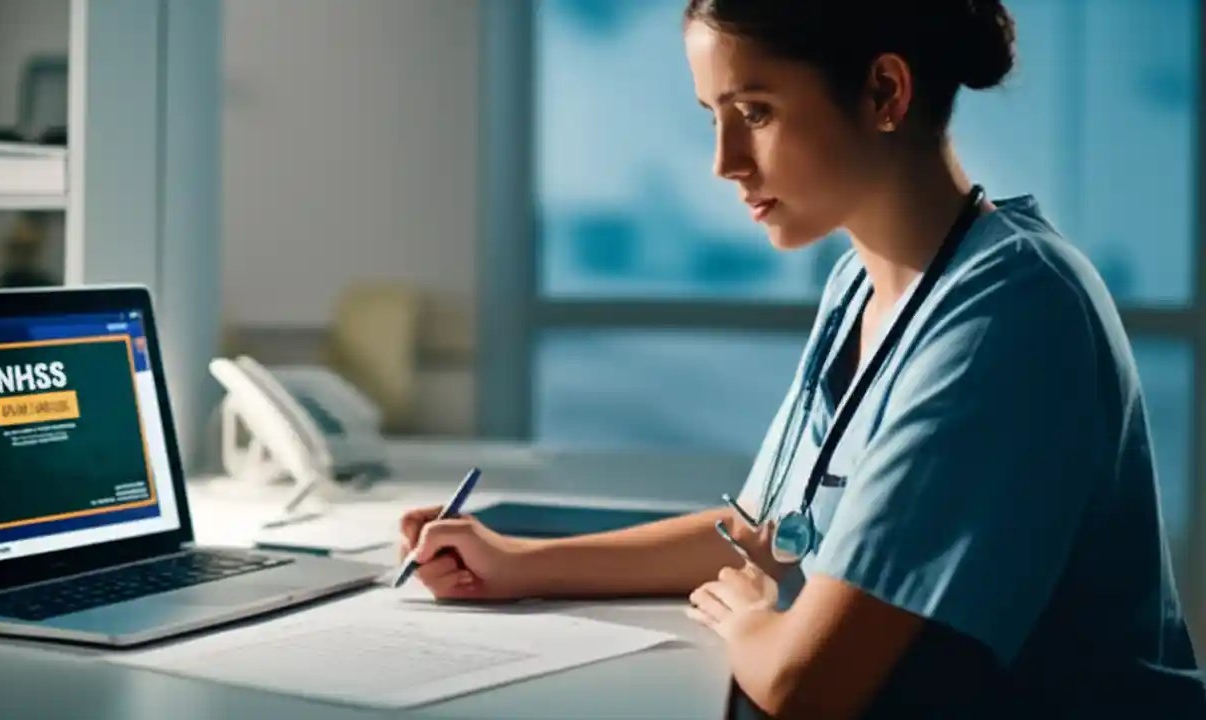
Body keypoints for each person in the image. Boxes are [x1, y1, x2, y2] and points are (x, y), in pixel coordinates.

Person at [397, 1, 1205, 716]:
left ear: (884, 92)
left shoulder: (1012, 310)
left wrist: (755, 621)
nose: (724, 161)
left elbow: (805, 685)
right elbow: (764, 533)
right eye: (714, 116)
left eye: (755, 111)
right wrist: (517, 563)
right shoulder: (860, 282)